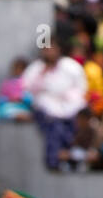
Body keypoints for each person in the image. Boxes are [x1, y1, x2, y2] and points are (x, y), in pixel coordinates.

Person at [21, 42, 88, 171]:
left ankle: (69, 157)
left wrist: (69, 99)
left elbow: (81, 88)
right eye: (46, 49)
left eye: (52, 48)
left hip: (70, 108)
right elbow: (26, 89)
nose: (49, 52)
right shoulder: (36, 68)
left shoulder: (70, 66)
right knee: (54, 127)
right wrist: (42, 76)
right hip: (45, 111)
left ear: (58, 49)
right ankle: (56, 159)